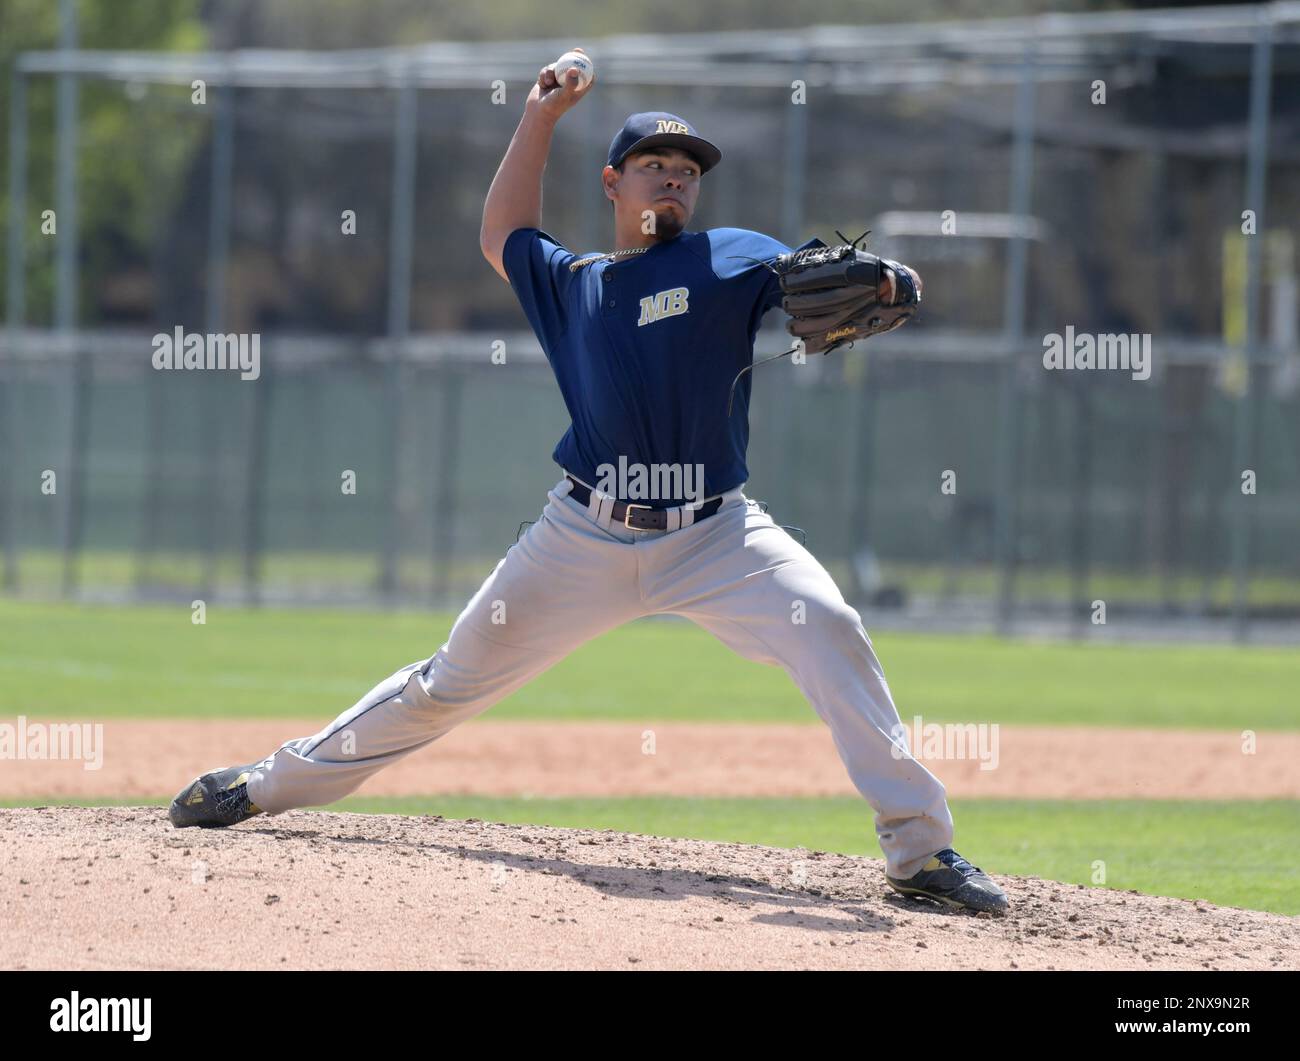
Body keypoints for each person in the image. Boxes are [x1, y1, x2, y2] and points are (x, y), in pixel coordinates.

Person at [169, 48, 1008, 915]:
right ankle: (262, 786)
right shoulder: (576, 284)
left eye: (687, 173)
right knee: (444, 684)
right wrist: (540, 115)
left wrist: (887, 277)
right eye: (655, 167)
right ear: (614, 184)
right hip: (583, 536)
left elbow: (811, 275)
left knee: (830, 624)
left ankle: (920, 850)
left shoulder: (729, 259)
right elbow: (501, 233)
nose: (674, 183)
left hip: (718, 533)